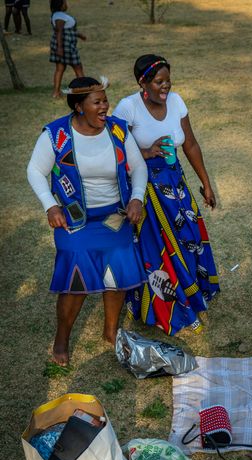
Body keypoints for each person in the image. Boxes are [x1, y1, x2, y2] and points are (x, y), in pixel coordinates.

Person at [26, 76, 147, 366]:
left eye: (105, 100)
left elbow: (138, 166)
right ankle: (62, 339)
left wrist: (137, 197)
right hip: (75, 219)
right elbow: (34, 170)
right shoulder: (56, 135)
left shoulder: (117, 130)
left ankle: (111, 331)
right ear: (79, 107)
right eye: (98, 102)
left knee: (116, 273)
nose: (105, 106)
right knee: (75, 276)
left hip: (113, 216)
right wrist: (50, 205)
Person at [113, 54, 220, 336]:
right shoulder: (128, 108)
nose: (165, 87)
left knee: (188, 239)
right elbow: (115, 150)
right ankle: (165, 307)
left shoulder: (177, 102)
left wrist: (206, 184)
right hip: (145, 188)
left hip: (176, 183)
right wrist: (146, 153)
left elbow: (191, 144)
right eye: (159, 82)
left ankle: (193, 294)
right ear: (142, 83)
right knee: (158, 249)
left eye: (168, 81)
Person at [49, 0, 85, 98]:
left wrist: (80, 35)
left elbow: (67, 30)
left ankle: (56, 92)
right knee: (78, 66)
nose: (66, 5)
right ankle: (84, 90)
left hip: (64, 44)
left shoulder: (57, 15)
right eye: (65, 3)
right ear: (60, 5)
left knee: (60, 68)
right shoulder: (60, 16)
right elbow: (59, 31)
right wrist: (60, 48)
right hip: (66, 45)